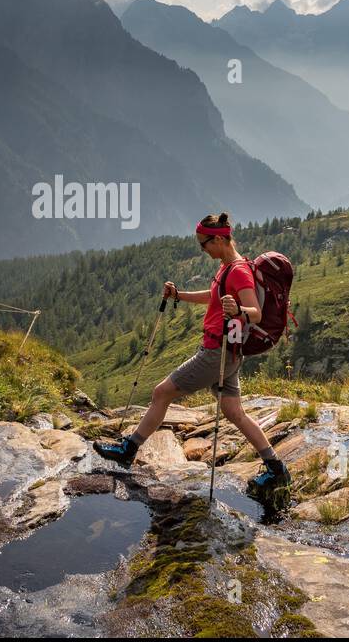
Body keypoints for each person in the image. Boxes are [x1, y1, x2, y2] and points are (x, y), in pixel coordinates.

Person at [93, 212, 291, 499]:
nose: (202, 249)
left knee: (162, 392)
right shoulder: (228, 267)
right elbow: (214, 296)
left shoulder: (238, 270)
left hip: (216, 351)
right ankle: (276, 468)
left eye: (204, 243)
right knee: (234, 412)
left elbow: (255, 312)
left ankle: (129, 449)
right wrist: (180, 296)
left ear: (221, 239)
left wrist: (238, 311)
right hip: (228, 351)